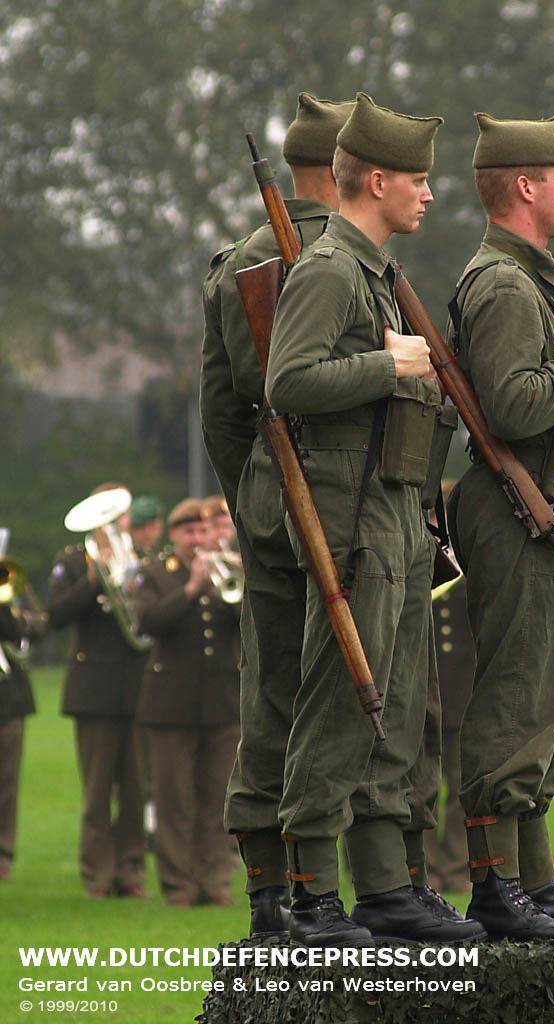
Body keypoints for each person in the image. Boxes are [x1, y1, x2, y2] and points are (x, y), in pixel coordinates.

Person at [266, 93, 482, 946]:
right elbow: (290, 384)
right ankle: (313, 897)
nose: (430, 195)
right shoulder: (328, 269)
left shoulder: (375, 275)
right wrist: (386, 366)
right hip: (349, 519)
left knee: (392, 712)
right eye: (420, 181)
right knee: (339, 705)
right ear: (378, 180)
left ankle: (388, 889)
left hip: (389, 515)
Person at [446, 111, 554, 940]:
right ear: (525, 186)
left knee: (551, 703)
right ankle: (496, 889)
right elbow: (512, 408)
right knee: (517, 700)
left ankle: (534, 884)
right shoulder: (506, 286)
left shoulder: (530, 279)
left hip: (543, 513)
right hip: (518, 514)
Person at [201, 93, 352, 938]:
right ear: (344, 171)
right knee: (338, 697)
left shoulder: (235, 258)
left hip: (268, 500)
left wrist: (254, 498)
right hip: (334, 506)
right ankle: (319, 890)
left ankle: (268, 895)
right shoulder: (342, 256)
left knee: (270, 694)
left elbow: (219, 410)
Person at [131, 498, 241, 905]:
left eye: (203, 532)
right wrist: (192, 589)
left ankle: (214, 883)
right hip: (170, 706)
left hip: (222, 704)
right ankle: (178, 886)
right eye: (189, 532)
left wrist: (233, 581)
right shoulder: (155, 573)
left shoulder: (227, 568)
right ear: (174, 535)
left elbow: (247, 622)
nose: (197, 539)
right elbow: (147, 621)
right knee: (174, 802)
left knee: (218, 801)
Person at [46, 483, 148, 898]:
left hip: (137, 688)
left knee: (136, 791)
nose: (116, 524)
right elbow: (54, 614)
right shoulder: (72, 561)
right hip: (94, 691)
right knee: (96, 792)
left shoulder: (138, 559)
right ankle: (98, 876)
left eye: (119, 514)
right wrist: (93, 579)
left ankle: (131, 872)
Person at [424, 481, 474, 894]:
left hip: (463, 692)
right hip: (424, 689)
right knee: (422, 787)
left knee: (461, 792)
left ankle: (457, 869)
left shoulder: (470, 563)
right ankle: (424, 871)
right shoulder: (418, 559)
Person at [0, 549, 46, 881]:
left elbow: (36, 623)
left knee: (6, 782)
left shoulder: (8, 574)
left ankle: (3, 856)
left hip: (8, 697)